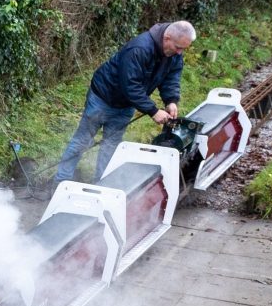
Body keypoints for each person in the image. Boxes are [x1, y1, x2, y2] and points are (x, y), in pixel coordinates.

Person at [56, 20, 196, 184]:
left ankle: (101, 185)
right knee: (82, 141)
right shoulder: (139, 49)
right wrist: (153, 111)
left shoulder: (173, 54)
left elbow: (171, 78)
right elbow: (130, 85)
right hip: (103, 97)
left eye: (183, 49)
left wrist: (171, 101)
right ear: (167, 38)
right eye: (178, 47)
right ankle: (60, 182)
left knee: (111, 146)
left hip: (126, 105)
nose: (180, 52)